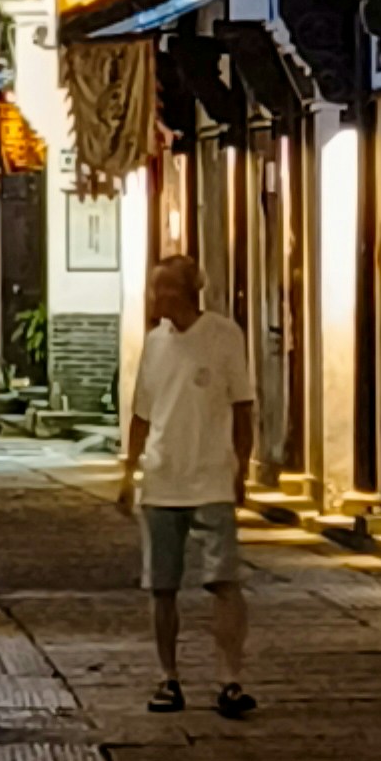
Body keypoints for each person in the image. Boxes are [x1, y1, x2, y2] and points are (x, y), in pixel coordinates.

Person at [119, 247, 258, 717]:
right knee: (162, 587)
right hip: (161, 481)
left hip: (212, 477)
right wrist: (129, 472)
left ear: (183, 292)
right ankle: (168, 677)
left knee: (223, 581)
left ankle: (230, 678)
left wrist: (242, 465)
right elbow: (141, 414)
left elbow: (243, 407)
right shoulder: (155, 343)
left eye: (162, 288)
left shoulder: (223, 336)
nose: (155, 297)